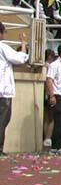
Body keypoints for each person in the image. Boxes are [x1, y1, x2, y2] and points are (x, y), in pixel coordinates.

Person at [0, 23, 30, 155]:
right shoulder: (2, 47)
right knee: (2, 121)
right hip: (3, 91)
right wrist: (23, 43)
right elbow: (20, 58)